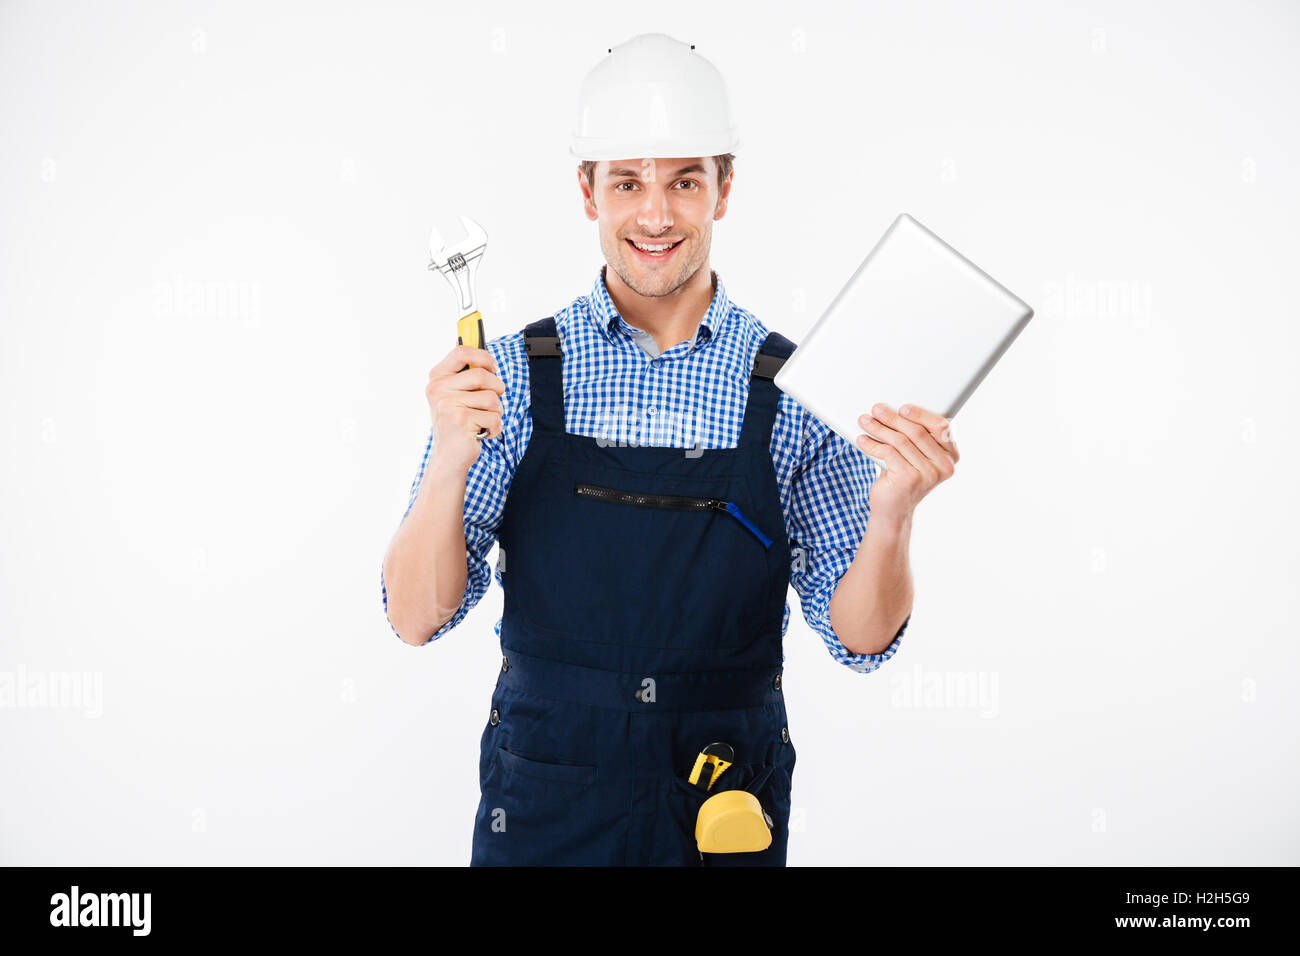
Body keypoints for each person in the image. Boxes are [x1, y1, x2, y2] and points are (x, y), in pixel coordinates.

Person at [380, 33, 959, 866]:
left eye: (684, 180)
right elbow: (414, 617)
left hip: (720, 806)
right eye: (627, 182)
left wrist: (895, 514)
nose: (655, 215)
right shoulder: (500, 379)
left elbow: (861, 640)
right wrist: (447, 461)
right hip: (546, 805)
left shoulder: (797, 391)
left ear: (724, 190)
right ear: (588, 193)